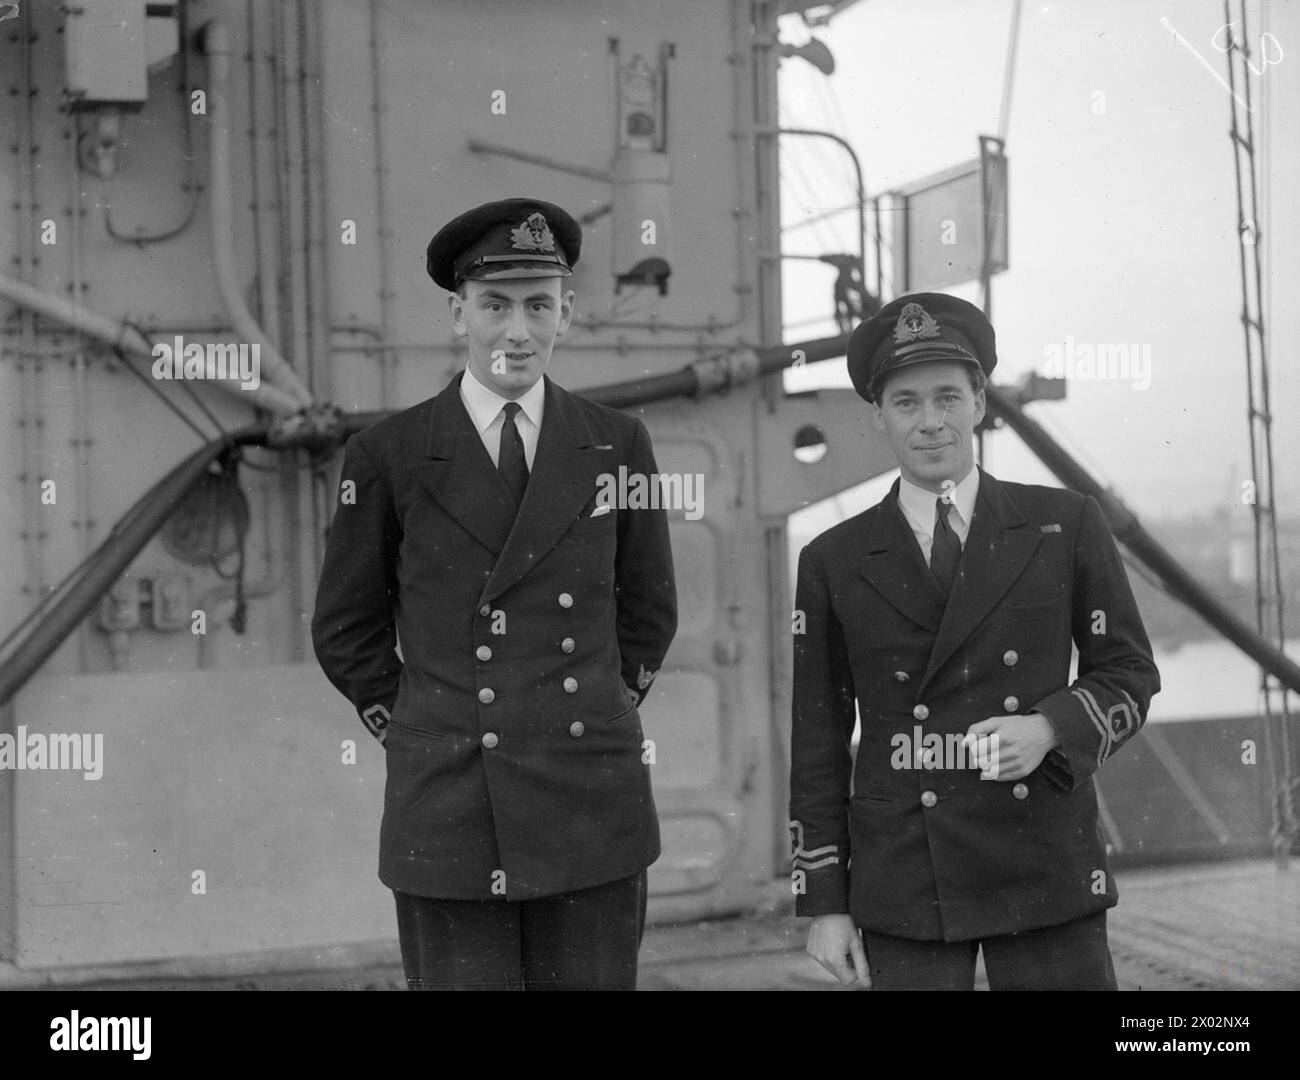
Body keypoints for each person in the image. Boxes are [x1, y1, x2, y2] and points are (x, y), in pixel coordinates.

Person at [312, 197, 677, 990]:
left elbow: (651, 610)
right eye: (496, 305)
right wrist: (419, 725)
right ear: (459, 313)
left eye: (538, 306)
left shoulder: (620, 442)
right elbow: (345, 628)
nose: (518, 330)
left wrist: (599, 712)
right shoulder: (389, 454)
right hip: (450, 802)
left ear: (566, 315)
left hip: (589, 798)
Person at [789, 292, 1160, 990]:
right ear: (877, 416)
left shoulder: (1064, 524)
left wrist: (1049, 727)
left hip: (1042, 856)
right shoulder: (833, 560)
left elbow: (1130, 672)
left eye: (947, 398)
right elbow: (817, 743)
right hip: (905, 871)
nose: (930, 423)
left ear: (979, 401)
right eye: (905, 403)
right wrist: (825, 904)